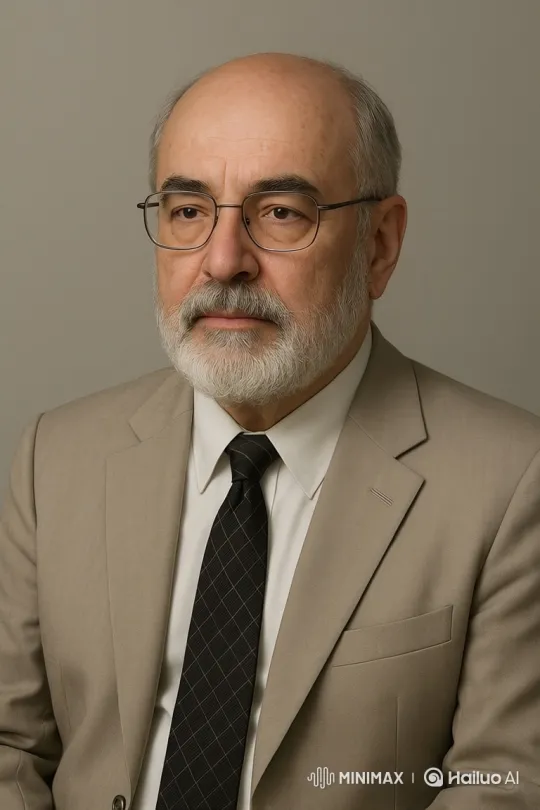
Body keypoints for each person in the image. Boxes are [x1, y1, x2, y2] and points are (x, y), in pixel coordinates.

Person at [0, 51, 539, 810]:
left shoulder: (513, 483)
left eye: (281, 213)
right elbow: (12, 747)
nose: (223, 261)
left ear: (380, 244)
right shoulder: (53, 460)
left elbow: (504, 786)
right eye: (188, 211)